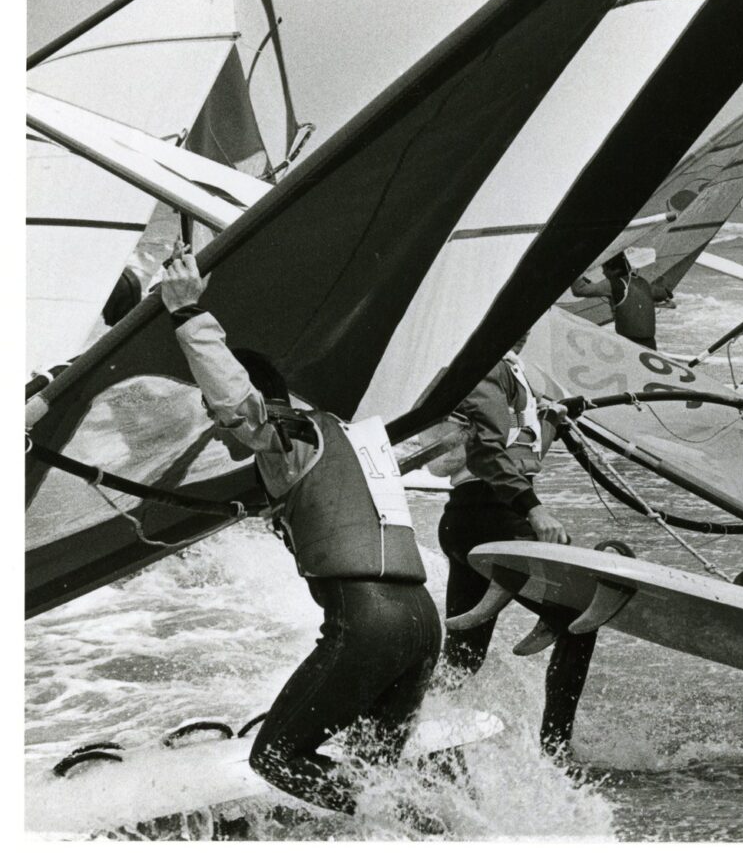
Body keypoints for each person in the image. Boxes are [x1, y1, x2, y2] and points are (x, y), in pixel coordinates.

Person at [159, 247, 440, 815]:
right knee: (371, 772)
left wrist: (187, 313)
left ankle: (420, 824)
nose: (220, 434)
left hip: (368, 625)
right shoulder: (345, 435)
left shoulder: (289, 433)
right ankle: (437, 827)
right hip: (419, 623)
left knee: (278, 757)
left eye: (215, 422)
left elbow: (241, 406)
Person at [435, 345, 594, 756]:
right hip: (495, 517)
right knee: (580, 614)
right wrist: (535, 510)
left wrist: (551, 422)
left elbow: (519, 453)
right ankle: (556, 751)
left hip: (466, 521)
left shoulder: (509, 368)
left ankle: (411, 730)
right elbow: (488, 454)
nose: (525, 328)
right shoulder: (483, 365)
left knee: (462, 658)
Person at [570, 252, 673, 350]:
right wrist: (664, 294)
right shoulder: (642, 282)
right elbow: (662, 293)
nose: (603, 272)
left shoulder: (614, 284)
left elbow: (579, 291)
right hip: (650, 345)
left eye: (604, 269)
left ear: (614, 269)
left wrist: (574, 268)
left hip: (630, 345)